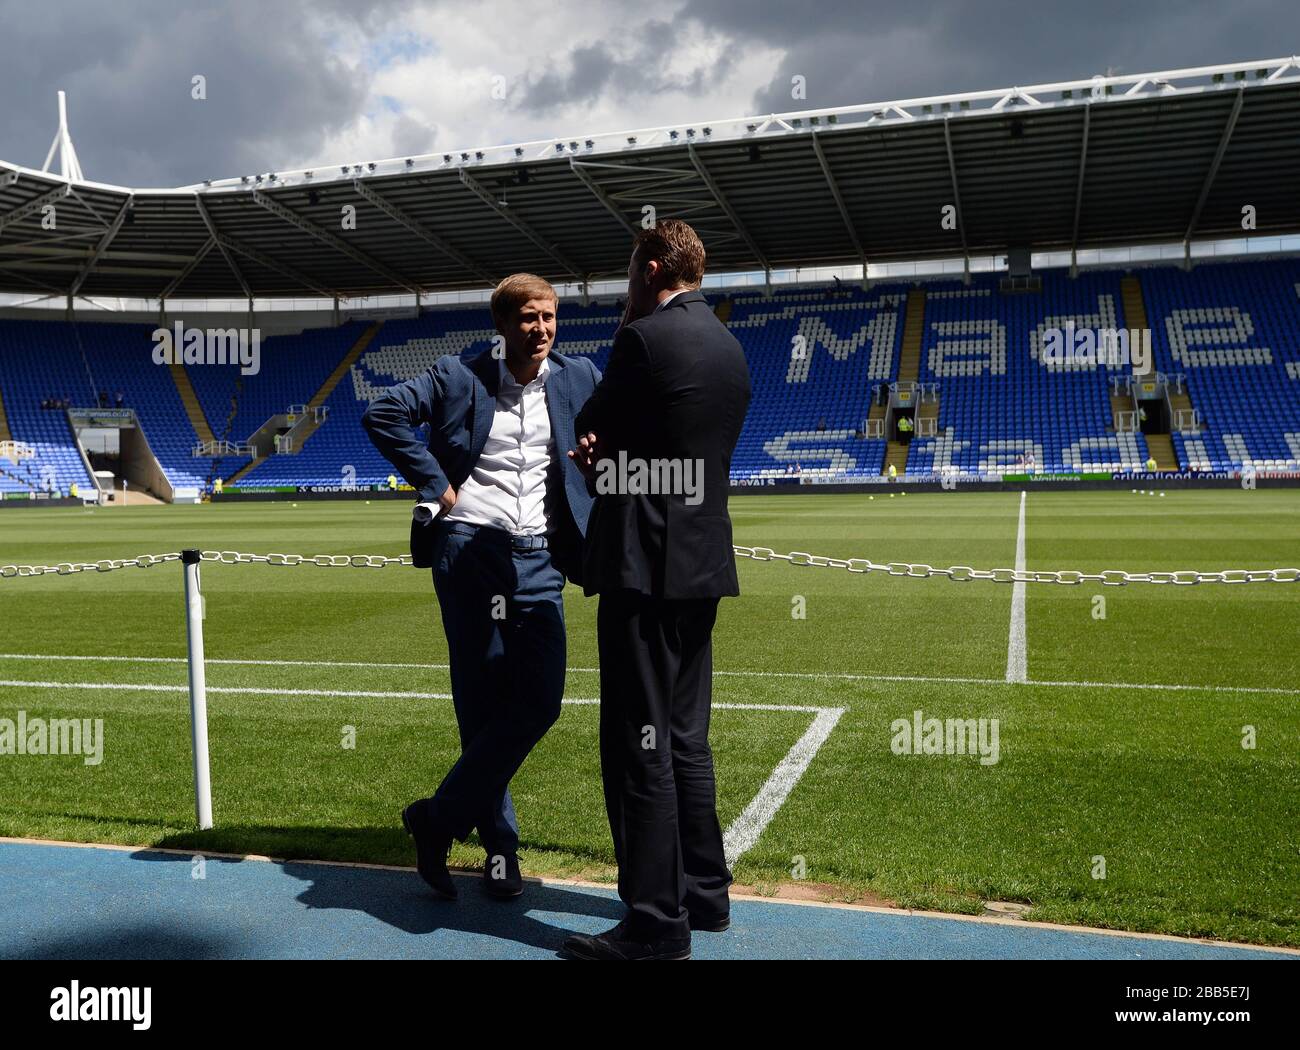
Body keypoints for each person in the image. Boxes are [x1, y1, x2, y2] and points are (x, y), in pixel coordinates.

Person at [362, 274, 600, 901]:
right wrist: (433, 481)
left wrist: (600, 450)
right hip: (471, 553)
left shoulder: (579, 377)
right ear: (502, 324)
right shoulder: (455, 375)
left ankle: (435, 820)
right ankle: (500, 854)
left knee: (541, 700)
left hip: (542, 559)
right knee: (482, 708)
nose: (542, 329)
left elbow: (614, 429)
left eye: (549, 317)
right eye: (528, 318)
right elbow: (381, 413)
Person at [564, 219, 751, 961]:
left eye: (629, 273)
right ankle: (705, 895)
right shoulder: (729, 345)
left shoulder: (641, 338)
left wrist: (601, 466)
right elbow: (687, 463)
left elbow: (591, 429)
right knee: (684, 737)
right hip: (702, 561)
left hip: (643, 563)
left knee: (638, 744)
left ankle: (653, 923)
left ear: (648, 268)